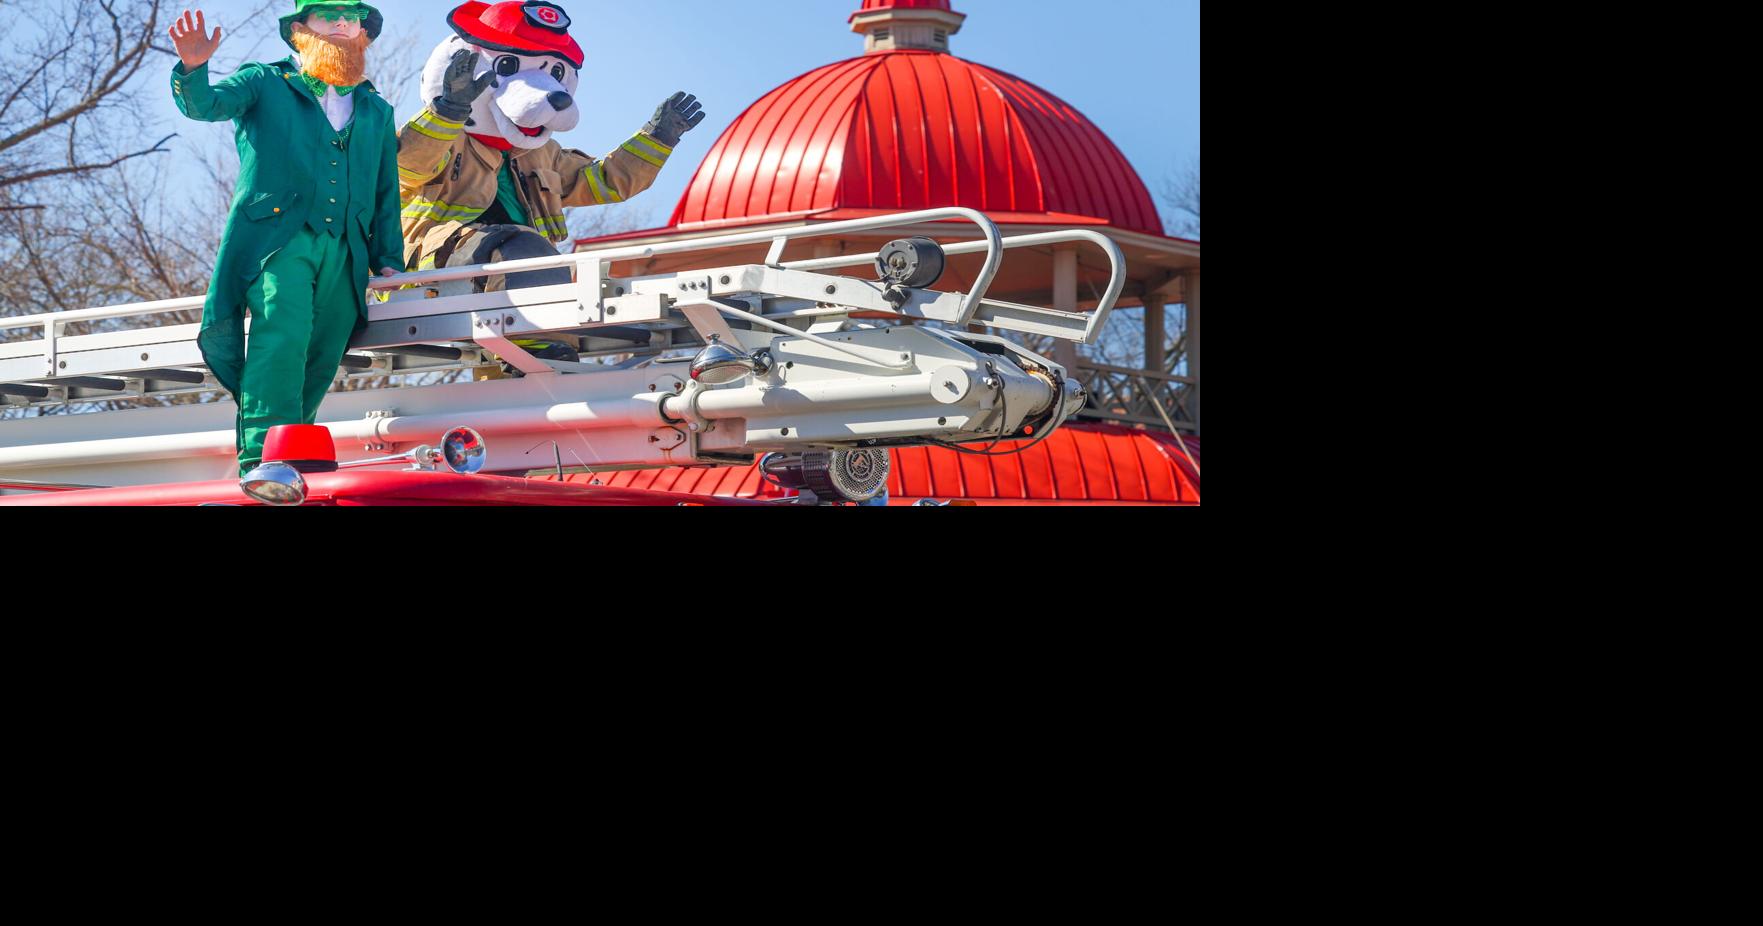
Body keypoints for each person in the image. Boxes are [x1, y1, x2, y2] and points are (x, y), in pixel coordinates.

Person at [169, 3, 404, 474]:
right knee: (283, 335)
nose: (343, 24)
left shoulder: (376, 109)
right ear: (299, 30)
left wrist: (389, 258)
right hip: (278, 240)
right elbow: (206, 105)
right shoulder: (265, 81)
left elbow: (386, 190)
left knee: (324, 350)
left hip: (346, 246)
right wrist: (193, 69)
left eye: (351, 17)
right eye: (329, 15)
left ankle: (293, 455)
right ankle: (261, 458)